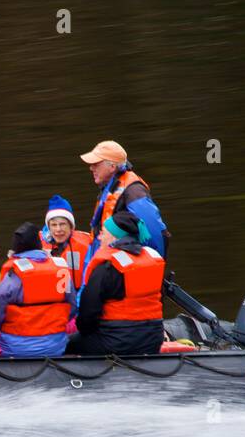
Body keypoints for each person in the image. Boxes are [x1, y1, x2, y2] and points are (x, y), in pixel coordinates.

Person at [68, 210, 165, 357]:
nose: (100, 237)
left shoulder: (107, 266)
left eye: (104, 232)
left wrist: (83, 332)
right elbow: (160, 298)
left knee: (67, 344)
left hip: (116, 342)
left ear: (115, 236)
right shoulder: (153, 258)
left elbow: (88, 313)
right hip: (153, 339)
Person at [0, 222, 74, 358]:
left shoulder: (14, 274)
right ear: (39, 244)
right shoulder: (61, 271)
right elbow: (72, 306)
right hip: (56, 346)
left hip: (16, 348)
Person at [78, 140, 168, 266]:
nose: (91, 167)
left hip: (122, 269)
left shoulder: (134, 191)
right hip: (106, 263)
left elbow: (154, 233)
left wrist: (152, 266)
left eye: (96, 164)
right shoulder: (109, 187)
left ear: (112, 167)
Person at [39, 194, 93, 284]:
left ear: (71, 226)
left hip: (77, 294)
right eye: (54, 225)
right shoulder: (36, 243)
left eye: (63, 224)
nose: (58, 229)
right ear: (48, 227)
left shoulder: (87, 244)